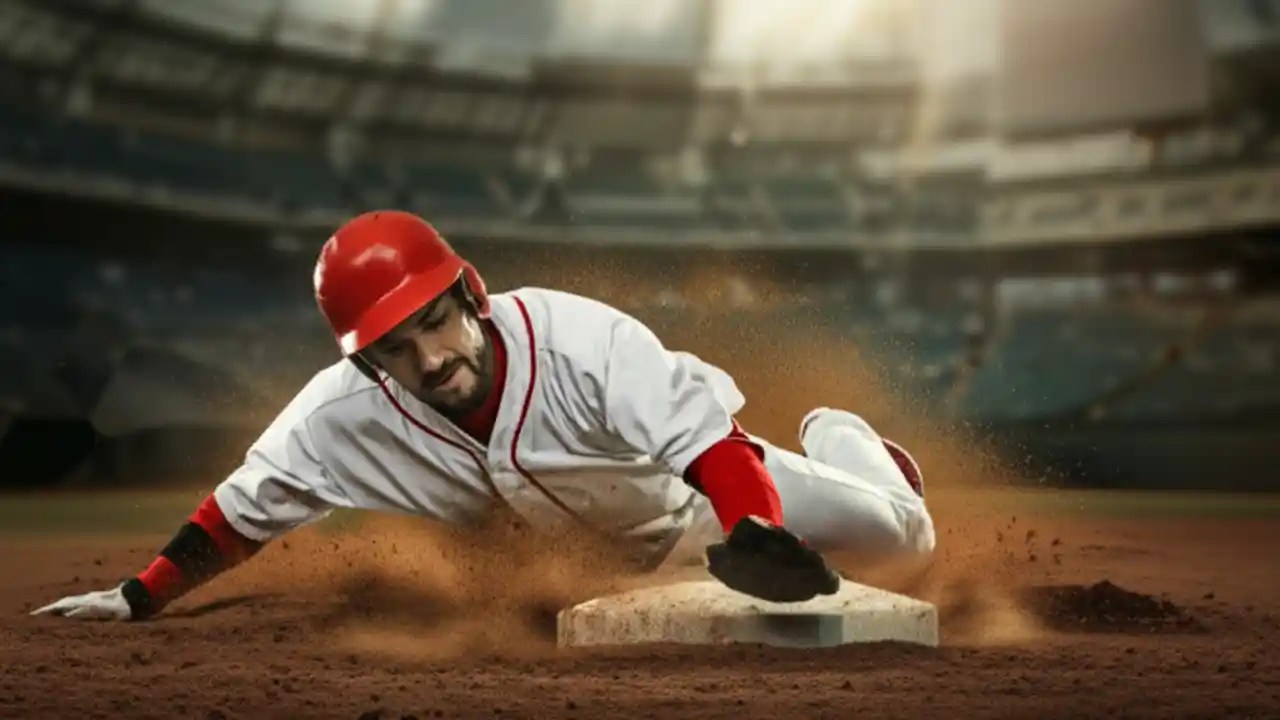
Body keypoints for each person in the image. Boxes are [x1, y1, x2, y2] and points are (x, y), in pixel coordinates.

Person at [32, 210, 934, 621]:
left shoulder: (583, 341)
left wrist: (755, 529)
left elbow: (709, 444)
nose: (429, 360)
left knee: (907, 545)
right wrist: (139, 594)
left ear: (471, 295)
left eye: (434, 322)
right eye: (393, 347)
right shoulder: (340, 415)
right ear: (363, 357)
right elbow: (242, 508)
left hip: (716, 502)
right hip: (621, 566)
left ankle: (848, 442)